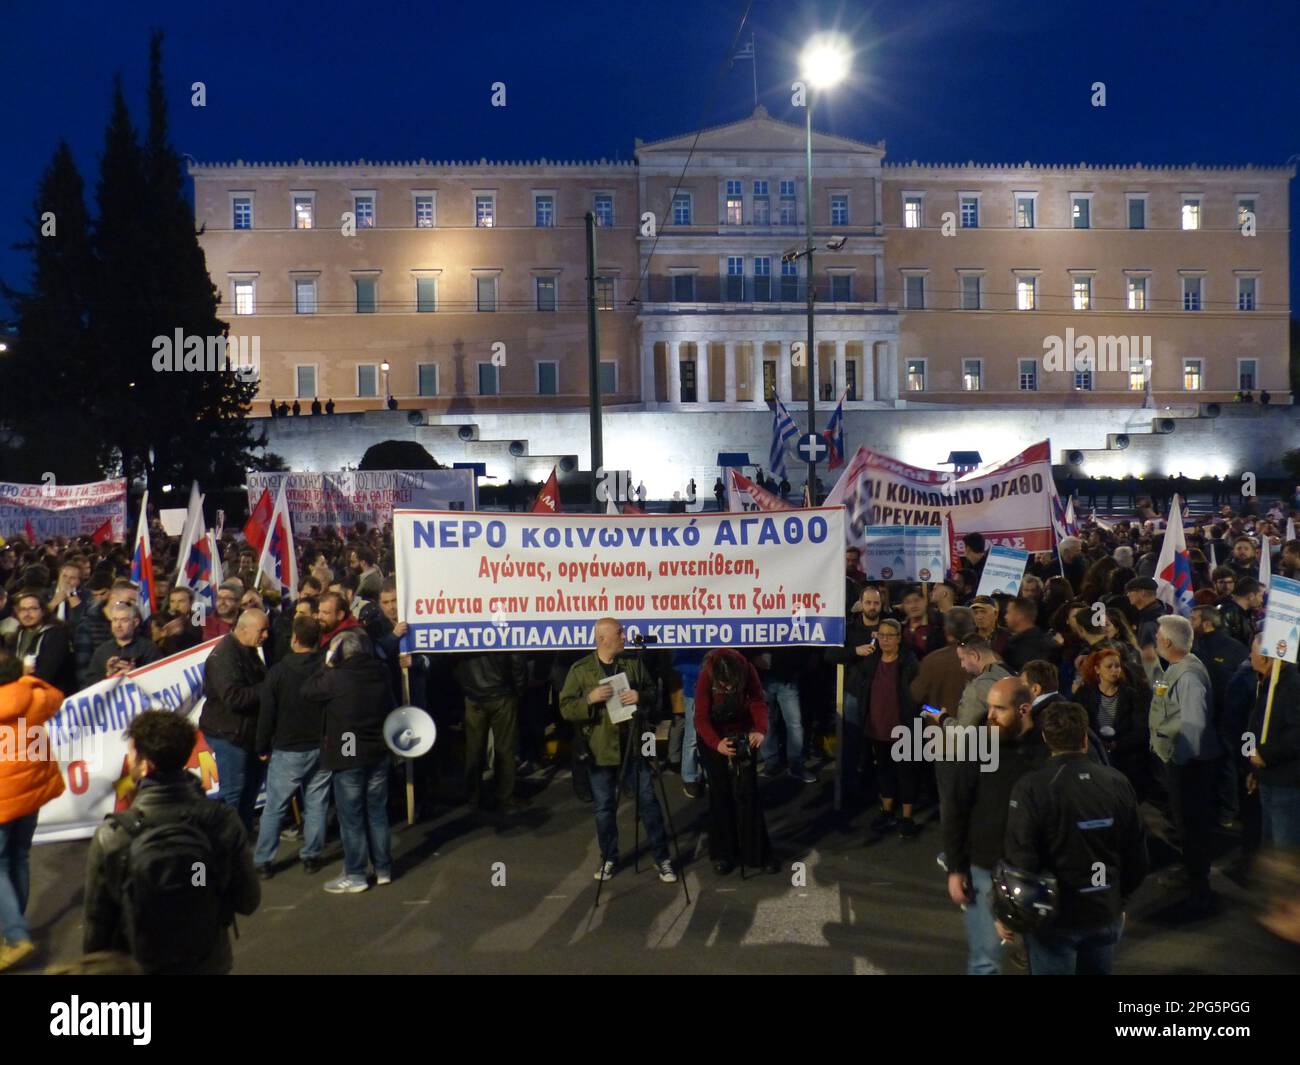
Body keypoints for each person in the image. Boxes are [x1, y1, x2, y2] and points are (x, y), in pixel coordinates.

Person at [82, 709, 260, 974]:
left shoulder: (113, 834)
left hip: (143, 965)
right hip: (209, 961)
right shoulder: (221, 820)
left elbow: (97, 930)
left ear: (145, 764)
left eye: (132, 752)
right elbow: (248, 900)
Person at [1000, 702, 1149, 975]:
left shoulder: (1032, 788)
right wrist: (1119, 901)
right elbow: (1137, 855)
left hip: (1055, 919)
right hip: (1104, 911)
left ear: (1046, 738)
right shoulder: (1117, 782)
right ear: (1084, 738)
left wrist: (1009, 914)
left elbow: (1021, 861)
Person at [942, 677, 1048, 975]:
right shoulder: (978, 746)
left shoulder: (1045, 751)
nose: (989, 715)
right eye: (989, 707)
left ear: (1024, 709)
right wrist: (956, 868)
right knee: (984, 960)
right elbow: (956, 809)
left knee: (1044, 957)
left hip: (1036, 872)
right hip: (984, 870)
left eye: (999, 709)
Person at [559, 618, 676, 883]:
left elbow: (652, 694)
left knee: (648, 801)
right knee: (604, 807)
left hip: (634, 746)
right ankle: (609, 857)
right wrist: (589, 699)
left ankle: (662, 858)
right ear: (603, 639)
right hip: (600, 749)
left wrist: (641, 696)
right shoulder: (581, 670)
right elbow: (565, 707)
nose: (625, 636)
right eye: (619, 632)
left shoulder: (633, 664)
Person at [302, 629, 396, 893]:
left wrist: (327, 664)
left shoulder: (335, 676)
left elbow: (307, 690)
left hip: (348, 753)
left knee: (351, 817)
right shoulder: (382, 672)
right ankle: (383, 868)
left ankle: (355, 874)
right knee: (377, 813)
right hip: (378, 751)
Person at [1149, 615, 1221, 916]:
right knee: (1185, 826)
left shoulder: (1188, 675)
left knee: (1192, 827)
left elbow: (1193, 724)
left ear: (1166, 641)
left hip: (1190, 766)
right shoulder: (1177, 669)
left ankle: (1199, 890)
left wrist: (1178, 760)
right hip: (1182, 763)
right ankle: (1193, 874)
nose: (1155, 641)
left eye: (1157, 637)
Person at [0, 650, 65, 971]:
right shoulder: (35, 696)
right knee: (19, 856)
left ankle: (14, 935)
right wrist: (27, 678)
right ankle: (14, 928)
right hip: (30, 795)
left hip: (2, 800)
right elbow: (56, 696)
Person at [254, 615, 330, 876]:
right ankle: (311, 856)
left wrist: (261, 746)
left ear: (294, 639)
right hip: (321, 746)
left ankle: (263, 860)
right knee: (316, 804)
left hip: (287, 749)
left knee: (275, 807)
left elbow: (267, 713)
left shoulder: (278, 672)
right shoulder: (326, 669)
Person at [693, 648, 777, 874]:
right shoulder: (706, 675)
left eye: (732, 685)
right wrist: (716, 743)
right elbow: (700, 717)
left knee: (748, 793)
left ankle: (758, 853)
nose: (729, 688)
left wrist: (760, 730)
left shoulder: (748, 670)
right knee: (720, 794)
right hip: (714, 735)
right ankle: (724, 854)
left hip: (742, 732)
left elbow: (758, 701)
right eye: (724, 685)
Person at [199, 609, 270, 831]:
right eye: (262, 630)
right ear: (244, 629)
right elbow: (234, 698)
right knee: (234, 792)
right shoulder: (223, 658)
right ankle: (230, 841)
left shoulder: (247, 649)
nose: (266, 635)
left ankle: (244, 830)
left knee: (250, 787)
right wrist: (266, 689)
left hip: (246, 732)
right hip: (229, 734)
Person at [853, 618, 922, 837]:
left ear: (899, 638)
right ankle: (887, 811)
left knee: (905, 772)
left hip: (902, 726)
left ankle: (907, 817)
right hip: (876, 726)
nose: (884, 640)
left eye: (889, 635)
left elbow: (917, 694)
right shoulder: (871, 660)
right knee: (883, 770)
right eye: (880, 635)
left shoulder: (909, 662)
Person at [454, 651, 530, 813]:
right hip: (501, 693)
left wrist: (465, 686)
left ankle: (474, 798)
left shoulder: (463, 627)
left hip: (473, 694)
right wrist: (519, 689)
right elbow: (517, 658)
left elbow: (452, 657)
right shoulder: (504, 626)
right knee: (505, 748)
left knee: (474, 749)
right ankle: (505, 799)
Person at [1245, 636, 1300, 847]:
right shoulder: (1264, 682)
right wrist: (1250, 762)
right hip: (1266, 778)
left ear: (1267, 657)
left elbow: (1296, 734)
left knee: (1283, 848)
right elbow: (1252, 724)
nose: (1250, 656)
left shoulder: (1292, 686)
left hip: (1285, 784)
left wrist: (1264, 754)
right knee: (1268, 844)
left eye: (1253, 651)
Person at [1074, 648, 1150, 793]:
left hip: (1127, 761)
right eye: (1109, 667)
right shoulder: (1084, 694)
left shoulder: (1131, 695)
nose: (1115, 670)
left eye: (1117, 666)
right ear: (1097, 669)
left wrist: (1117, 745)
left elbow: (1141, 729)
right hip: (1094, 760)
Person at [10, 591, 76, 694]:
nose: (27, 614)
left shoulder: (56, 634)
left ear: (43, 611)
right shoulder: (17, 635)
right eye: (22, 609)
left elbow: (47, 672)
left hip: (49, 694)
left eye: (33, 609)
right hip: (21, 691)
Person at [87, 602, 163, 683]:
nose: (118, 625)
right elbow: (89, 685)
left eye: (124, 620)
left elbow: (160, 679)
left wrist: (135, 673)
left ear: (135, 622)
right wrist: (108, 675)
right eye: (115, 620)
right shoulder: (101, 651)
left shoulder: (149, 648)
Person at [954, 636, 1013, 727]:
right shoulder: (1012, 674)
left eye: (962, 659)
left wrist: (943, 719)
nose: (962, 665)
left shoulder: (976, 689)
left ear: (975, 656)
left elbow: (964, 734)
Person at [1002, 596, 1058, 672]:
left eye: (1008, 612)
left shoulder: (1029, 648)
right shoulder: (1042, 640)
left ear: (1019, 616)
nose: (1005, 616)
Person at [1124, 576, 1167, 648]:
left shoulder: (1150, 621)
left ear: (1143, 593)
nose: (1128, 594)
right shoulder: (1152, 614)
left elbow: (1149, 653)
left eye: (1131, 591)